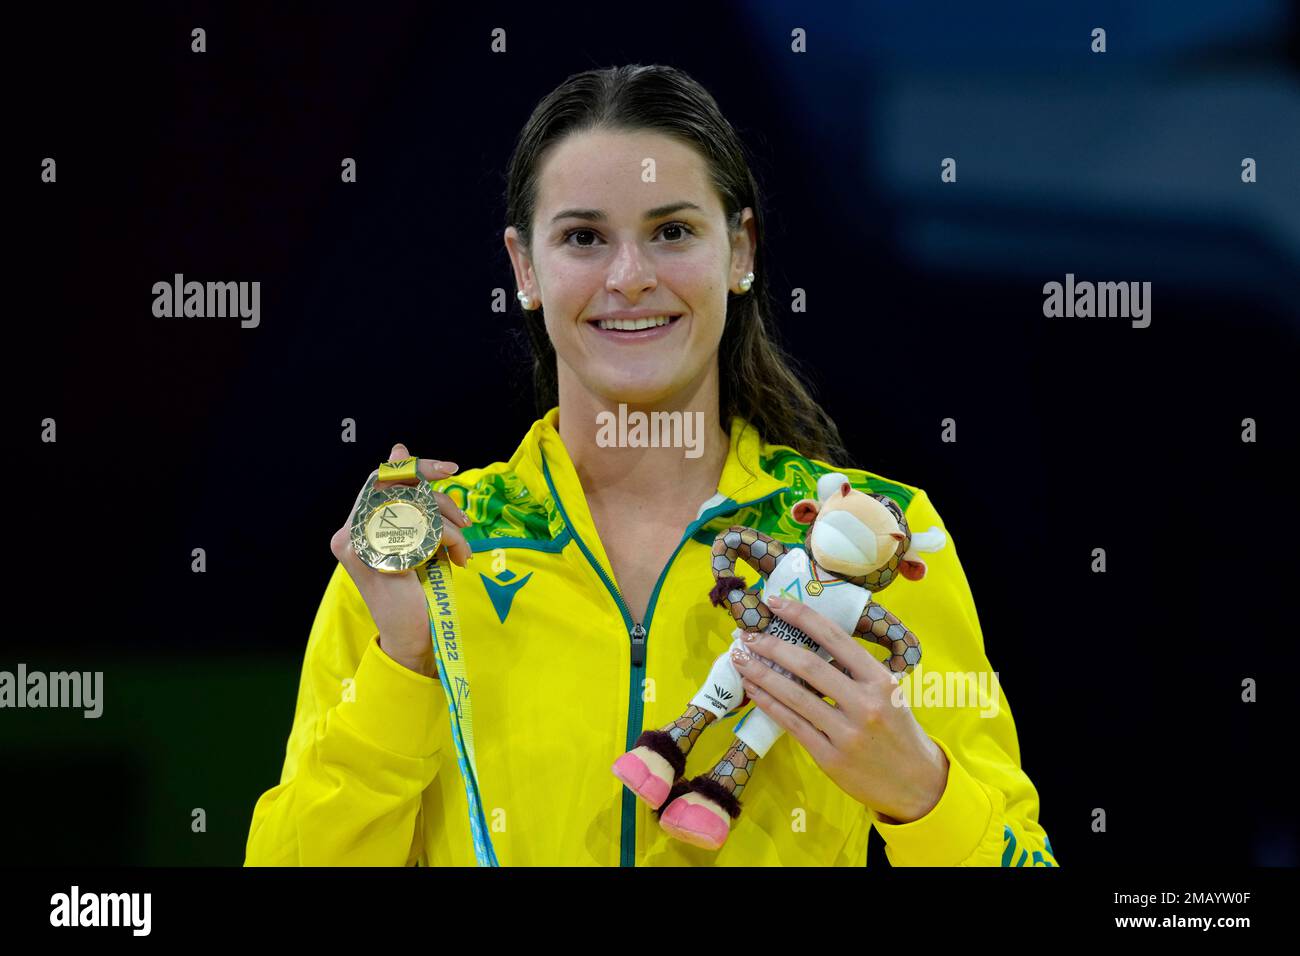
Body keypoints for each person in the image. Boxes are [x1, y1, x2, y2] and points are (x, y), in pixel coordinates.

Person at [244, 64, 1058, 867]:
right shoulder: (426, 556)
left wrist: (920, 791)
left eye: (672, 232)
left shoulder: (889, 543)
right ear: (525, 268)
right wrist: (402, 670)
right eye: (584, 238)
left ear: (740, 250)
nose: (629, 279)